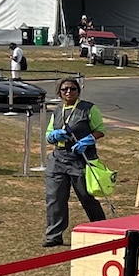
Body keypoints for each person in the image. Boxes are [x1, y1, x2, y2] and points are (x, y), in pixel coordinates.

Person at [42, 78, 107, 248]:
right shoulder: (57, 111)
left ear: (78, 91)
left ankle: (103, 229)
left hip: (80, 158)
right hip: (58, 158)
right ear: (59, 93)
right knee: (55, 197)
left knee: (86, 196)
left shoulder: (88, 108)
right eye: (64, 89)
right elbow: (48, 133)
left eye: (72, 89)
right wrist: (53, 136)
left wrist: (89, 139)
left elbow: (100, 130)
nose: (68, 92)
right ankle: (54, 235)